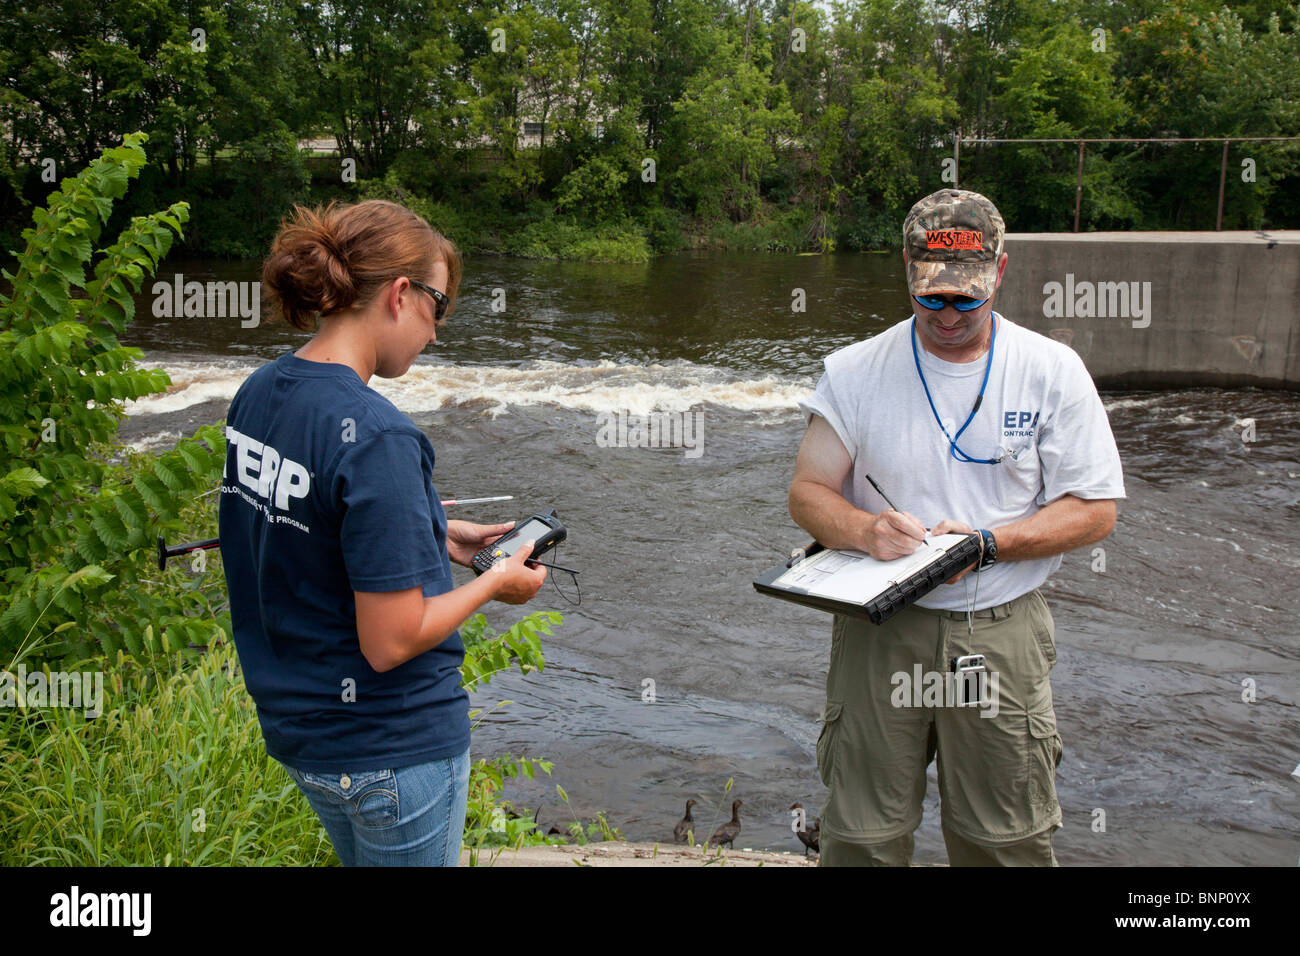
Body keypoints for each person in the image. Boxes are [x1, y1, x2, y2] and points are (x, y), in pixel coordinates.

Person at [787, 188, 1126, 866]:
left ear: (998, 275)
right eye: (931, 296)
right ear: (906, 272)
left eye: (966, 299)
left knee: (1003, 841)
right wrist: (861, 528)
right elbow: (807, 491)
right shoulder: (854, 372)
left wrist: (992, 545)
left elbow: (1096, 511)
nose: (947, 314)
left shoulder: (1051, 371)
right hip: (877, 632)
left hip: (999, 631)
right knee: (862, 837)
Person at [218, 198, 548, 866]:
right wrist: (496, 583)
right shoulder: (379, 434)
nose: (437, 334)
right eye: (440, 308)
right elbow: (392, 641)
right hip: (390, 748)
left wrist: (431, 532)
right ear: (401, 294)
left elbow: (304, 531)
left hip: (303, 734)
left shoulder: (260, 391)